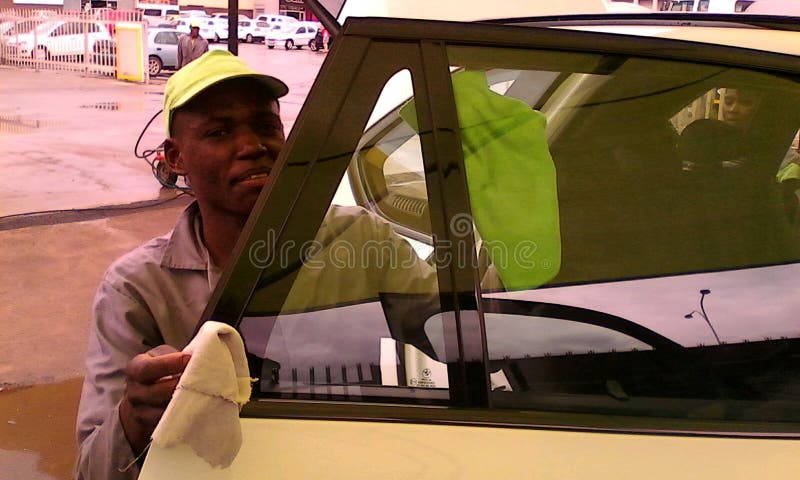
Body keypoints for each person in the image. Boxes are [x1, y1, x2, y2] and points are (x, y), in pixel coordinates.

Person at [75, 50, 434, 480]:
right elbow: (92, 470)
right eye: (219, 131)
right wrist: (135, 417)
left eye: (265, 126)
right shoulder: (137, 288)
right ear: (175, 158)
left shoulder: (359, 240)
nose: (252, 146)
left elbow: (463, 329)